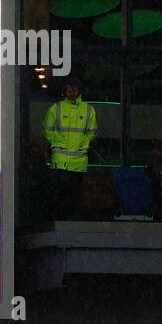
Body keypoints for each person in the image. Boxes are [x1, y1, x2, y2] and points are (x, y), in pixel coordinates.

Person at [43, 76, 97, 220]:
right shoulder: (57, 108)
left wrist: (83, 145)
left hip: (77, 163)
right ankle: (64, 221)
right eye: (68, 89)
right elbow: (48, 130)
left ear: (79, 90)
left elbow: (92, 133)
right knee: (62, 197)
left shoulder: (88, 110)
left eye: (73, 88)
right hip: (61, 161)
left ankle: (68, 222)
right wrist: (56, 143)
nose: (71, 91)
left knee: (73, 197)